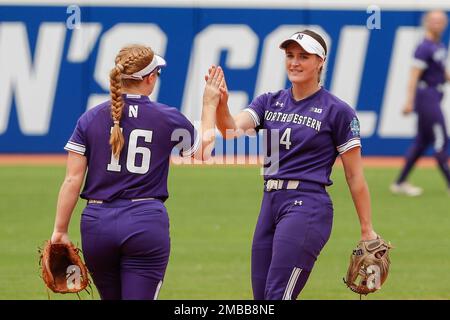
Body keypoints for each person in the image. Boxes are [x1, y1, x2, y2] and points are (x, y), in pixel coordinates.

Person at [213, 30, 378, 300]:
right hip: (270, 202)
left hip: (307, 206)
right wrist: (222, 104)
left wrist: (366, 229)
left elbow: (354, 175)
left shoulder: (338, 111)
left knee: (278, 296)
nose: (294, 62)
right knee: (262, 298)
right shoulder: (269, 101)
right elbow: (230, 131)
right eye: (290, 55)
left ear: (320, 61)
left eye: (304, 56)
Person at [50, 44, 223, 300]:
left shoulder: (90, 118)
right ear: (150, 78)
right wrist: (209, 104)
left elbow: (72, 179)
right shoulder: (167, 117)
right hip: (145, 223)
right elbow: (204, 152)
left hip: (97, 225)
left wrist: (60, 230)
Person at [390, 10, 450, 197]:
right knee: (442, 139)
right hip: (427, 97)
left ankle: (399, 182)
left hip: (435, 94)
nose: (437, 24)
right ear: (426, 22)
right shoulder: (424, 47)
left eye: (441, 20)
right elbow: (414, 76)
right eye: (433, 20)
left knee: (422, 142)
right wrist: (409, 101)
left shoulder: (438, 45)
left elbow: (441, 73)